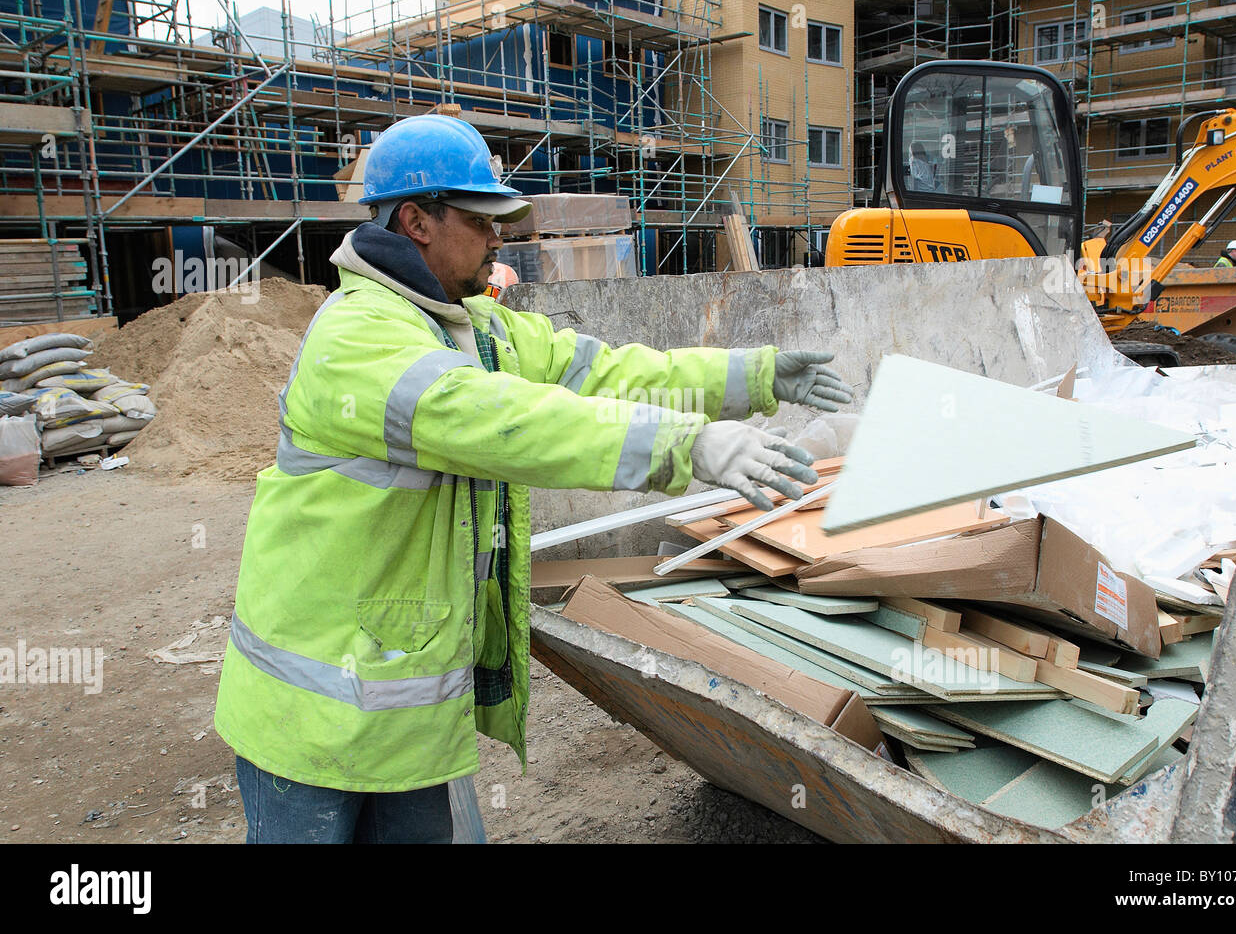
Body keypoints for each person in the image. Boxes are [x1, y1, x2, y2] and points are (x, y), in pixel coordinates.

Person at [212, 114, 853, 843]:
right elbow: (507, 420)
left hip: (402, 713)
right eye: (483, 220)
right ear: (417, 221)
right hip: (312, 712)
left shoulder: (474, 328)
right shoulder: (358, 337)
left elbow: (609, 370)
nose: (498, 238)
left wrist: (756, 374)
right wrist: (686, 446)